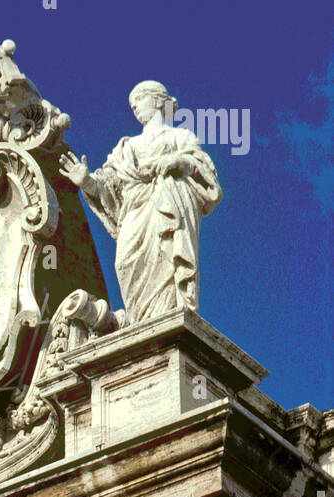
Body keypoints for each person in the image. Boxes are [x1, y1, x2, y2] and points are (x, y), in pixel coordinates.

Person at [59, 82, 221, 325]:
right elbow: (110, 186)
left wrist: (178, 161)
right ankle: (140, 323)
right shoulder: (126, 146)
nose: (134, 107)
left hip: (168, 204)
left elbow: (203, 171)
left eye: (139, 99)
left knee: (166, 259)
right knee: (124, 262)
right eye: (132, 104)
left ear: (157, 100)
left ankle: (166, 317)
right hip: (134, 210)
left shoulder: (180, 136)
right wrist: (88, 182)